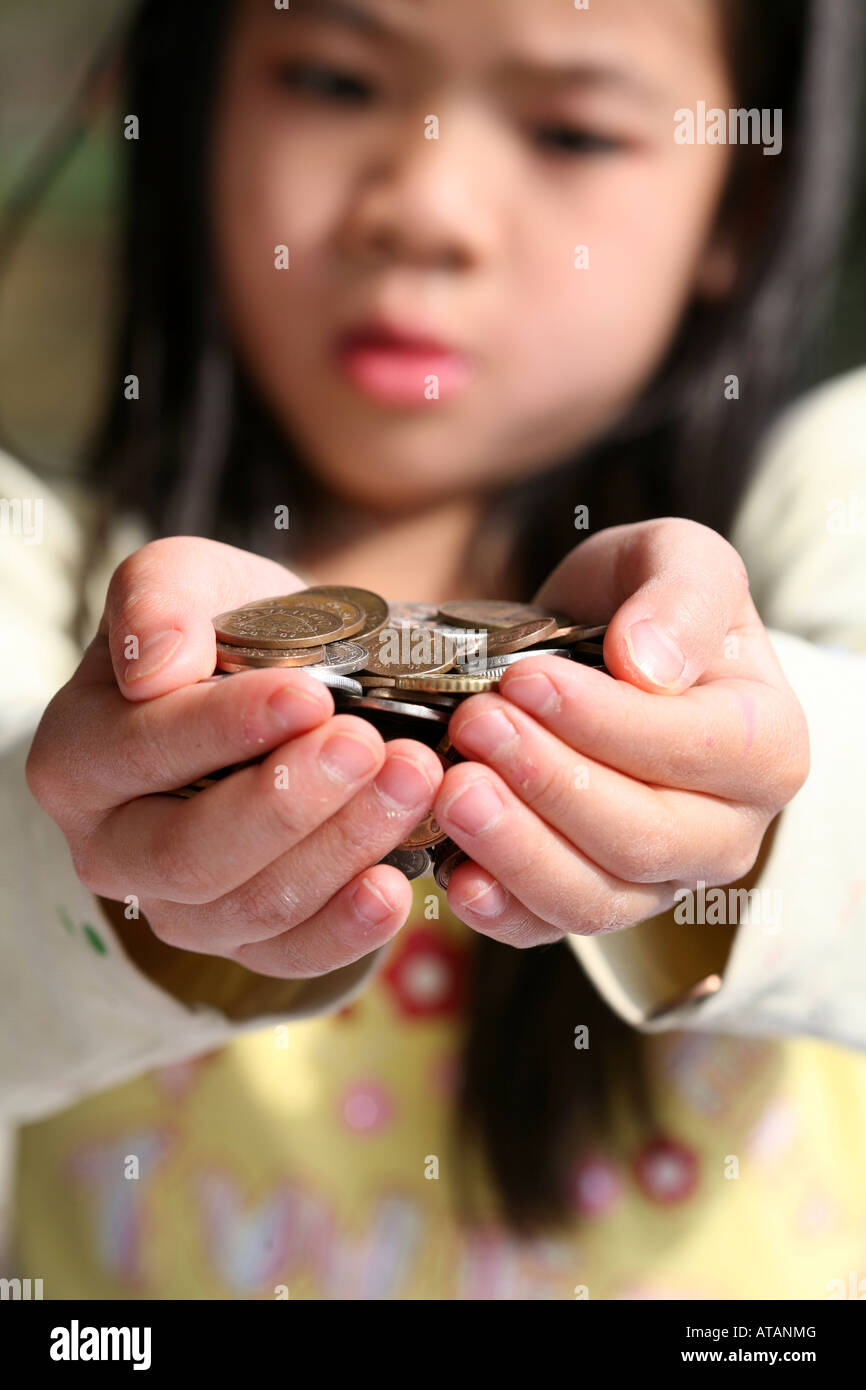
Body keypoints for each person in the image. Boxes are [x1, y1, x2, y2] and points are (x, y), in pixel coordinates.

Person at [1, 0, 865, 1299]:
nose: (426, 208)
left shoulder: (831, 494)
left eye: (572, 127)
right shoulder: (31, 570)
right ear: (182, 105)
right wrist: (103, 863)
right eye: (335, 80)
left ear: (742, 205)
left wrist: (752, 782)